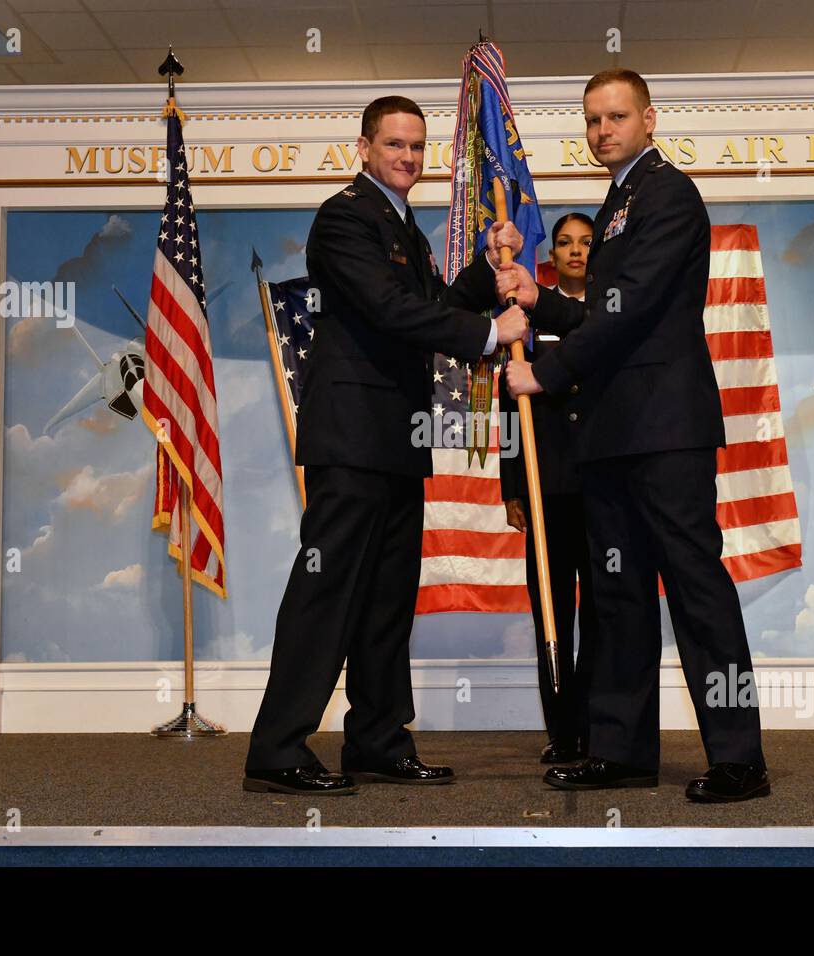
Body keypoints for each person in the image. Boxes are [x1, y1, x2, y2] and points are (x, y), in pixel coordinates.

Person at [244, 95, 528, 796]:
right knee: (327, 590)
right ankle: (278, 748)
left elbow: (431, 301)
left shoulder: (401, 224)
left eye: (416, 147)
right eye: (395, 144)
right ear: (364, 147)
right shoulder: (344, 217)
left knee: (385, 599)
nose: (407, 157)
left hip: (397, 441)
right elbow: (389, 310)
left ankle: (376, 739)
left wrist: (486, 278)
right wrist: (490, 336)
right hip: (351, 437)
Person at [499, 70, 770, 802]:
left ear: (648, 118)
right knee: (616, 595)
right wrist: (540, 298)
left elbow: (634, 311)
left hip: (666, 430)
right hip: (612, 434)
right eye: (591, 121)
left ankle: (739, 757)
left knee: (695, 589)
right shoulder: (617, 202)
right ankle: (620, 750)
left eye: (615, 117)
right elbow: (601, 312)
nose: (601, 131)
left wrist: (545, 378)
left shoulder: (668, 192)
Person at [499, 212, 598, 765]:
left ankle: (595, 725)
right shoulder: (525, 322)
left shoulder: (610, 317)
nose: (576, 252)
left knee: (605, 613)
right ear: (551, 255)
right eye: (564, 243)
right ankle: (563, 731)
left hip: (601, 487)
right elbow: (512, 407)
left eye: (586, 243)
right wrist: (513, 486)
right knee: (553, 614)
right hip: (545, 489)